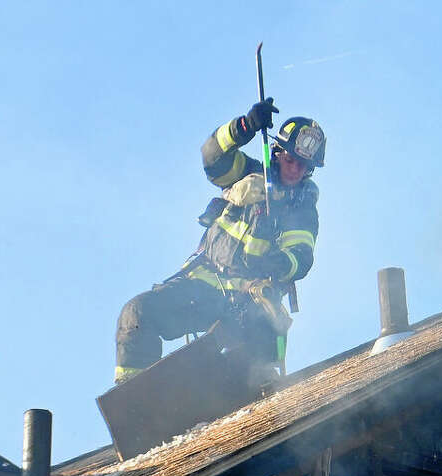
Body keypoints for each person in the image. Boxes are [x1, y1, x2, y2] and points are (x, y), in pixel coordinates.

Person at [114, 100, 326, 384]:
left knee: (251, 359)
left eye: (304, 166)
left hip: (248, 302)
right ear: (277, 153)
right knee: (136, 314)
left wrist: (275, 263)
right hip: (202, 285)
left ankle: (254, 400)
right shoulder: (245, 173)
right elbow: (212, 159)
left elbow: (301, 257)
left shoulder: (301, 209)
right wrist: (245, 126)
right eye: (291, 160)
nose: (295, 170)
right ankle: (134, 400)